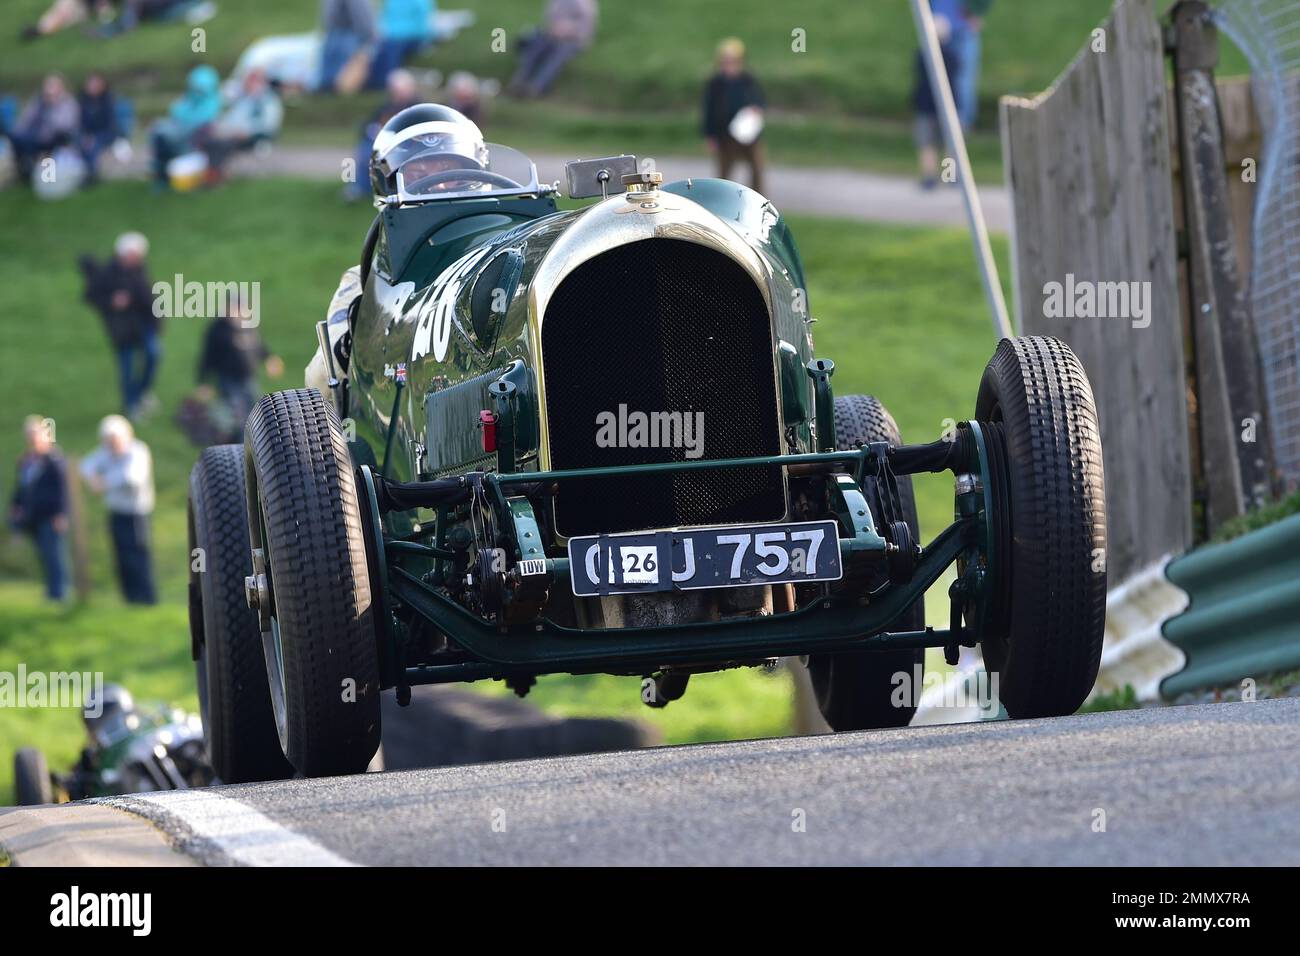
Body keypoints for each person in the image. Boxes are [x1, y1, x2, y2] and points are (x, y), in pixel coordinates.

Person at [80, 232, 162, 419]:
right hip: (122, 330)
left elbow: (148, 297)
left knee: (153, 354)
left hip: (144, 325)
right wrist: (112, 301)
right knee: (127, 367)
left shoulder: (140, 270)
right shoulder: (108, 274)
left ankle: (144, 392)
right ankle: (131, 404)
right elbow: (90, 296)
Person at [80, 415, 156, 605]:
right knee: (121, 557)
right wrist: (93, 479)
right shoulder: (106, 452)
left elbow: (132, 477)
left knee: (138, 556)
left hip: (136, 514)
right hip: (117, 513)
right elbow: (86, 465)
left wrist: (103, 482)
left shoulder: (138, 450)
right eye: (108, 441)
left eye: (114, 440)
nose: (112, 445)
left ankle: (146, 598)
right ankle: (129, 598)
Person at [197, 290, 284, 439]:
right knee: (239, 418)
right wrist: (204, 382)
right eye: (236, 308)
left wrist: (269, 358)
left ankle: (255, 444)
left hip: (248, 379)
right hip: (229, 381)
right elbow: (207, 357)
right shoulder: (218, 329)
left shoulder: (248, 325)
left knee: (256, 413)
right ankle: (239, 448)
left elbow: (259, 345)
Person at [9, 417, 70, 602]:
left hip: (50, 516)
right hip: (33, 516)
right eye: (29, 434)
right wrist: (16, 506)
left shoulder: (54, 460)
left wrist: (61, 514)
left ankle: (59, 593)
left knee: (54, 555)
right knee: (43, 554)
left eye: (36, 434)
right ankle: (51, 591)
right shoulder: (27, 461)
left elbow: (63, 489)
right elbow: (21, 488)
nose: (32, 438)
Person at [701, 38, 766, 194]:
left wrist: (757, 109)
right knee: (724, 172)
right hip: (724, 135)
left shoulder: (748, 80)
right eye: (726, 61)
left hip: (749, 135)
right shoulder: (715, 83)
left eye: (733, 61)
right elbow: (708, 110)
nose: (730, 64)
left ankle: (759, 199)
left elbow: (760, 100)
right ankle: (723, 197)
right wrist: (710, 135)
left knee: (756, 167)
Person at [343, 68, 419, 201]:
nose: (399, 94)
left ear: (410, 89)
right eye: (396, 90)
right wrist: (371, 130)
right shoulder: (387, 106)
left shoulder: (417, 107)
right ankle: (356, 187)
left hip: (407, 144)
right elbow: (369, 124)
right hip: (383, 142)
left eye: (402, 90)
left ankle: (389, 189)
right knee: (360, 154)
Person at [203, 69, 283, 179]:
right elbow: (229, 117)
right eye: (250, 79)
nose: (251, 83)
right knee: (210, 141)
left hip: (253, 136)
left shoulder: (268, 101)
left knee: (222, 144)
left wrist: (248, 132)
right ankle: (211, 172)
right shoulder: (242, 98)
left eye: (255, 80)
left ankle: (215, 175)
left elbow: (268, 126)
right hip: (232, 133)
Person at [507, 0, 597, 98]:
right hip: (553, 35)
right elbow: (550, 16)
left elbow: (587, 25)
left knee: (558, 55)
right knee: (535, 46)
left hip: (574, 39)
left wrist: (568, 31)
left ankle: (535, 88)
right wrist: (553, 29)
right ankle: (518, 82)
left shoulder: (584, 3)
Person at [149, 64, 221, 187]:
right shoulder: (187, 100)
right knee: (160, 133)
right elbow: (176, 112)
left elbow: (198, 120)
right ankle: (162, 173)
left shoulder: (212, 102)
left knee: (164, 135)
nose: (196, 90)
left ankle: (163, 175)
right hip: (178, 134)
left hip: (191, 137)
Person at [912, 13, 961, 190]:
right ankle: (949, 177)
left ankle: (929, 177)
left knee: (927, 143)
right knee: (948, 142)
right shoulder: (952, 55)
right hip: (947, 105)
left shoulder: (922, 54)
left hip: (926, 105)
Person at [5, 74, 80, 182]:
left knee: (34, 143)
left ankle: (33, 171)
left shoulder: (68, 103)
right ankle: (24, 169)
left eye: (53, 86)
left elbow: (65, 125)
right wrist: (18, 130)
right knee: (15, 138)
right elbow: (26, 118)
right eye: (48, 86)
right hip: (34, 135)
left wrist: (53, 106)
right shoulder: (39, 102)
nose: (49, 90)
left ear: (61, 87)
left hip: (55, 138)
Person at [934, 0, 991, 129]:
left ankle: (962, 123)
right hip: (939, 26)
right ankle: (939, 120)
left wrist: (976, 12)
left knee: (962, 79)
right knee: (938, 76)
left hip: (963, 28)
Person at [366, 0, 435, 90]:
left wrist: (425, 41)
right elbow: (384, 19)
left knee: (391, 49)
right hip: (390, 38)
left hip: (412, 38)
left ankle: (385, 83)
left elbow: (424, 23)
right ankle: (374, 83)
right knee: (376, 50)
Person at [318, 0, 376, 93]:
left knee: (329, 80)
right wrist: (371, 35)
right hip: (349, 35)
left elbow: (327, 16)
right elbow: (361, 14)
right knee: (343, 76)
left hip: (333, 35)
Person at [77, 73, 118, 183]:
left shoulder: (107, 101)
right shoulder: (83, 101)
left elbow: (108, 124)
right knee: (80, 142)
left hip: (105, 133)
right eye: (90, 83)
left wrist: (92, 136)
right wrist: (86, 135)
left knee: (93, 145)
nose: (92, 86)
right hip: (88, 134)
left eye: (95, 83)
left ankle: (91, 174)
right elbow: (80, 122)